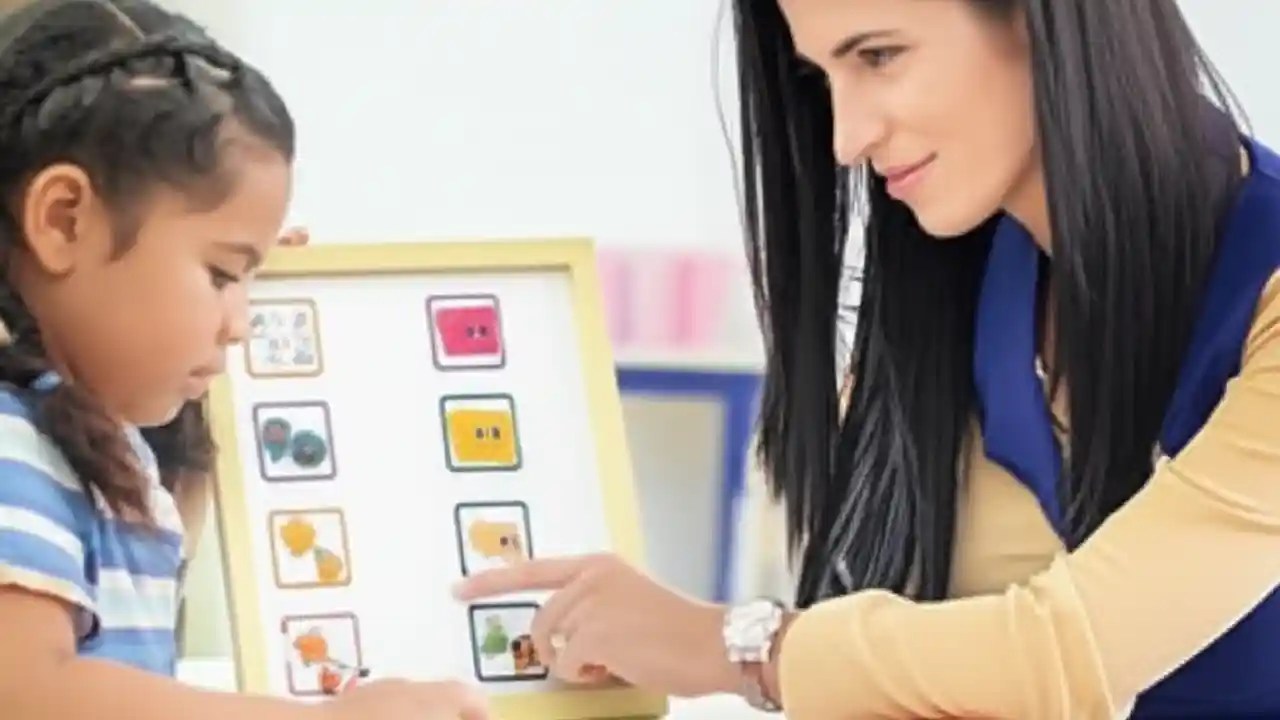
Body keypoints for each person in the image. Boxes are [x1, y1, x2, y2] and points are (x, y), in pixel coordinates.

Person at [455, 1, 1280, 717]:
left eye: (879, 56)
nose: (847, 140)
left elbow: (1060, 652)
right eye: (822, 77)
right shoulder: (955, 284)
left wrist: (734, 647)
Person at [0, 2, 489, 718]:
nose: (239, 324)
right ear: (63, 219)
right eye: (224, 274)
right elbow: (23, 692)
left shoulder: (98, 450)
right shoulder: (11, 449)